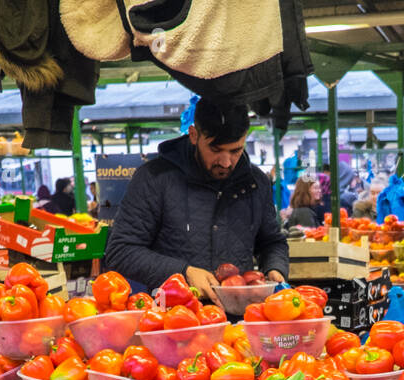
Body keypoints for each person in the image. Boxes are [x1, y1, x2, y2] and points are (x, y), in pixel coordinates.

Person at [103, 97, 287, 301]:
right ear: (193, 135)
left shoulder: (256, 183)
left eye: (236, 150)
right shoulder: (154, 179)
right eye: (215, 150)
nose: (226, 162)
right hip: (174, 317)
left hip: (240, 317)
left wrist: (275, 267)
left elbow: (271, 241)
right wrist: (185, 272)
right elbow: (121, 251)